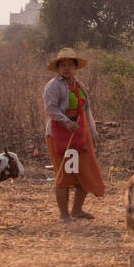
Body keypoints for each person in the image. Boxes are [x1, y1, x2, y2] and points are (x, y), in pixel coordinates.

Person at [42, 47, 105, 221]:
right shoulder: (53, 86)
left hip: (80, 135)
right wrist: (67, 122)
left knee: (85, 172)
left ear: (75, 67)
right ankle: (64, 214)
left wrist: (92, 132)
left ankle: (77, 210)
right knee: (65, 174)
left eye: (71, 64)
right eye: (63, 65)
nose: (67, 68)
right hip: (61, 135)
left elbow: (86, 110)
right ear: (58, 68)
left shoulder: (78, 85)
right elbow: (50, 109)